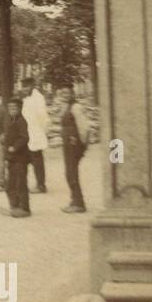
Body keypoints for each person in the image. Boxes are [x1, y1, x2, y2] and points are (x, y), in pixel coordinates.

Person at [59, 85, 93, 213]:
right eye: (63, 93)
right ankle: (74, 200)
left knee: (71, 173)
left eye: (67, 93)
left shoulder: (76, 107)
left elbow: (85, 127)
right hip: (67, 144)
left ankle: (79, 203)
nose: (65, 96)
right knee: (69, 173)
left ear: (72, 94)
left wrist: (82, 145)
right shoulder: (65, 107)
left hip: (74, 145)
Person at [0, 96, 31, 217]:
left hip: (20, 158)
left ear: (20, 108)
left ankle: (25, 208)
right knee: (10, 184)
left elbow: (25, 137)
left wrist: (15, 147)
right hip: (11, 158)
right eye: (10, 107)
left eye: (15, 107)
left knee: (20, 183)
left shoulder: (21, 121)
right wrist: (4, 138)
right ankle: (14, 206)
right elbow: (10, 135)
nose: (12, 109)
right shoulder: (11, 120)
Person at [20, 76, 49, 194]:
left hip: (35, 133)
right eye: (23, 87)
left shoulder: (38, 98)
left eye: (26, 86)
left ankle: (41, 185)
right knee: (26, 159)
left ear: (32, 86)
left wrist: (39, 132)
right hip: (27, 133)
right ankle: (25, 184)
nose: (24, 89)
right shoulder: (27, 99)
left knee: (37, 160)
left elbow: (43, 117)